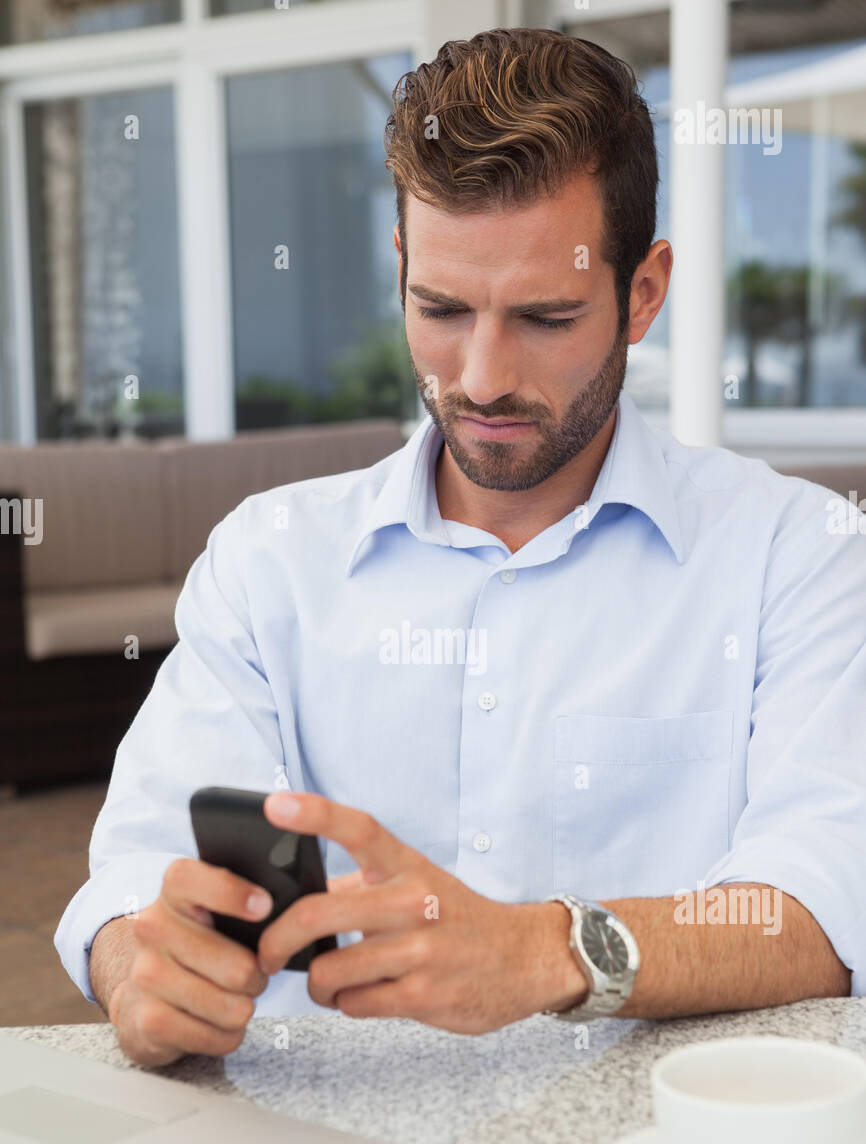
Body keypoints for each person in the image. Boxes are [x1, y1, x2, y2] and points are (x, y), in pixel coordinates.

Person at [56, 28, 866, 1067]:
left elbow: (824, 898)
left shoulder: (794, 557)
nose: (479, 379)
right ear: (400, 266)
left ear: (642, 294)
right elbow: (135, 869)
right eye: (441, 308)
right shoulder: (269, 561)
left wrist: (543, 951)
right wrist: (142, 963)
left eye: (543, 316)